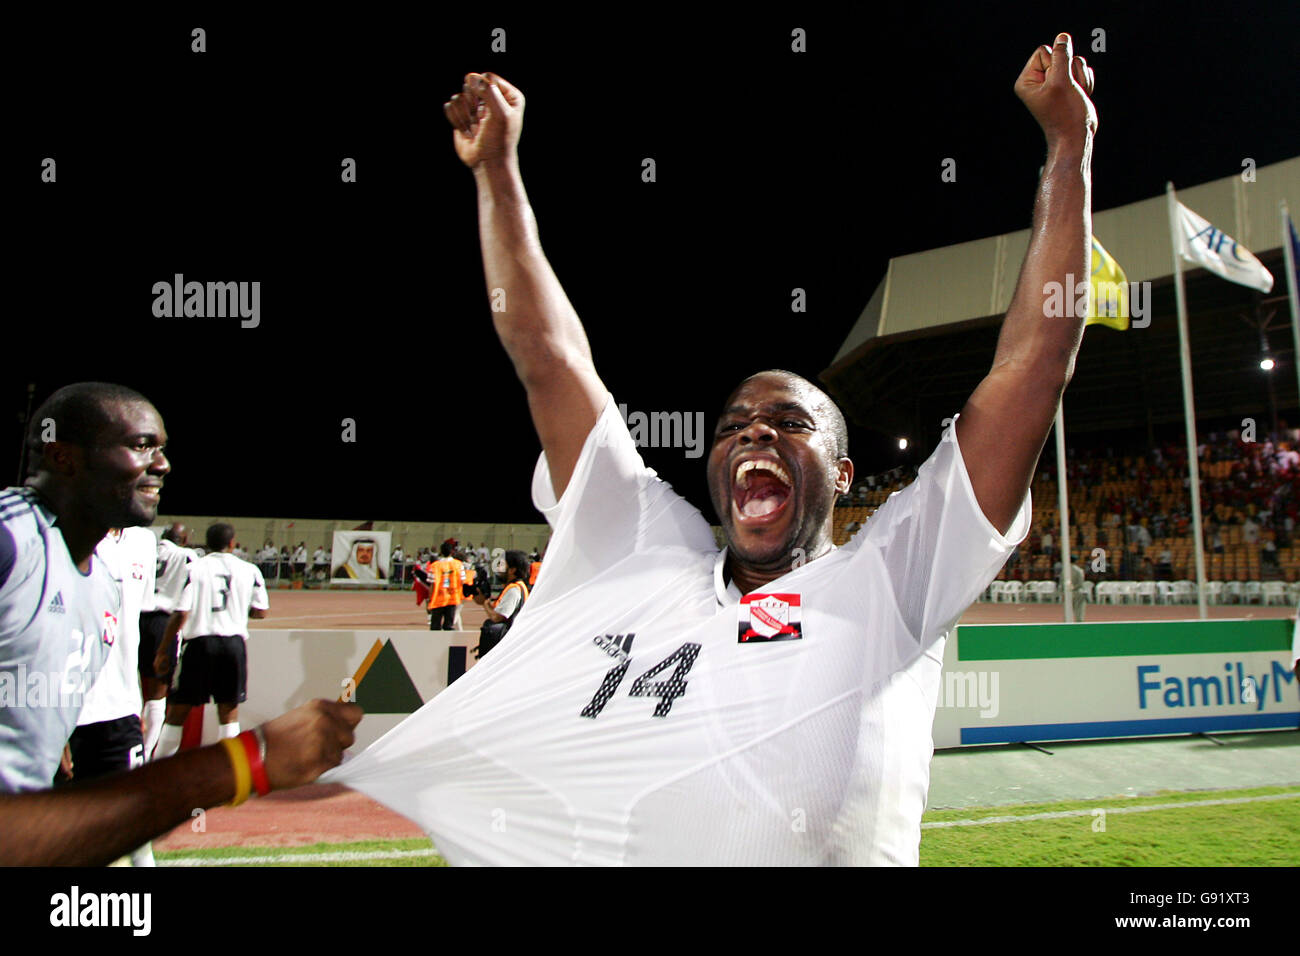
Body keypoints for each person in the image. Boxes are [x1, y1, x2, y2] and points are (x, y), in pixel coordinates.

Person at [332, 38, 1097, 866]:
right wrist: (497, 174)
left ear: (843, 475)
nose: (753, 431)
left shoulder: (891, 581)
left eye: (788, 422)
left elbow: (1033, 363)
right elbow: (550, 359)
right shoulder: (648, 553)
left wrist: (1068, 147)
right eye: (733, 423)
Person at [0, 382, 363, 866]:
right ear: (63, 456)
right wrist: (243, 764)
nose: (162, 465)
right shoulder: (13, 538)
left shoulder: (101, 584)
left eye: (162, 449)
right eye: (140, 445)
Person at [61, 524, 159, 866]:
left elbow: (136, 627)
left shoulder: (144, 542)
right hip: (66, 715)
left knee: (135, 830)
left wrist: (136, 703)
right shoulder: (63, 532)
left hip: (120, 710)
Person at [152, 522, 270, 758]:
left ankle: (157, 770)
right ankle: (229, 776)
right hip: (233, 644)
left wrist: (164, 649)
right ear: (232, 543)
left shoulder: (195, 568)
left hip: (200, 643)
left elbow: (181, 612)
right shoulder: (250, 570)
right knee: (228, 712)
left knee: (177, 712)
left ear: (207, 543)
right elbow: (261, 611)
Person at [139, 522, 195, 759]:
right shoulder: (186, 555)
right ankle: (147, 754)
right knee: (158, 693)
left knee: (137, 690)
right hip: (164, 622)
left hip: (137, 620)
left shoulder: (146, 551)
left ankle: (132, 751)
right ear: (183, 539)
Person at [472, 549, 529, 657]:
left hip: (507, 647)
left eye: (502, 565)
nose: (499, 568)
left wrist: (484, 603)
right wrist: (485, 600)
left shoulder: (514, 590)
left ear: (512, 570)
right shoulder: (513, 587)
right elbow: (496, 610)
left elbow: (497, 617)